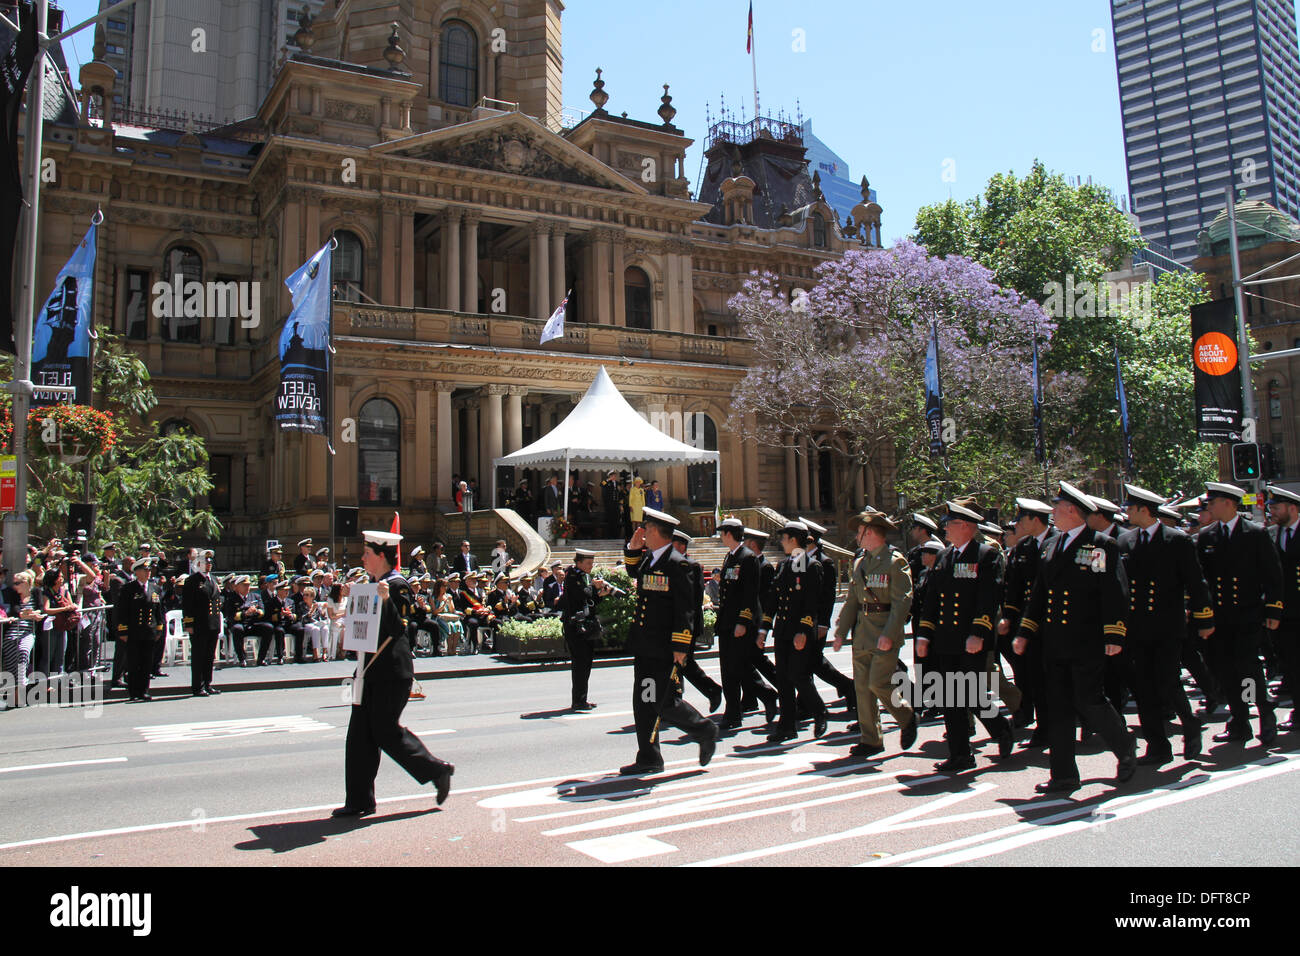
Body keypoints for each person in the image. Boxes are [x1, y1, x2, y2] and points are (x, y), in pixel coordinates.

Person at [1014, 481, 1136, 793]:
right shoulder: (1051, 546)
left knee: (1089, 701)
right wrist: (1025, 631)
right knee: (1057, 707)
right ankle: (1064, 774)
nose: (1052, 511)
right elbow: (1040, 594)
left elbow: (1113, 591)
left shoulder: (1099, 545)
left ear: (1071, 510)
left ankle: (1124, 746)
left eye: (1056, 506)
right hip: (1055, 639)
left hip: (1086, 638)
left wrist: (1114, 633)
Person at [332, 530, 454, 817]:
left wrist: (385, 601)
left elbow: (400, 627)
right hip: (367, 670)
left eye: (367, 554)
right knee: (359, 735)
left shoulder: (396, 585)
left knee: (385, 731)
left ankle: (437, 770)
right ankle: (360, 800)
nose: (363, 558)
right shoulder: (372, 584)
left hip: (391, 672)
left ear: (381, 556)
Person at [915, 500, 1015, 771]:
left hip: (971, 638)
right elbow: (932, 599)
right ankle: (960, 754)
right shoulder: (946, 556)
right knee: (949, 696)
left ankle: (1000, 728)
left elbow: (988, 597)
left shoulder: (986, 556)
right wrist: (924, 634)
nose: (945, 527)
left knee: (969, 694)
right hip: (946, 638)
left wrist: (979, 631)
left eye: (951, 523)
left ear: (967, 526)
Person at [619, 507, 718, 774]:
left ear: (656, 532)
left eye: (646, 529)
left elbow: (685, 609)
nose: (643, 532)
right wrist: (632, 548)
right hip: (645, 644)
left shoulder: (678, 564)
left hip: (663, 647)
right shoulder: (650, 559)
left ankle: (704, 728)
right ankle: (649, 757)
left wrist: (680, 646)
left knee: (659, 701)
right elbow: (633, 573)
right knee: (644, 701)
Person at [1118, 484, 1213, 762]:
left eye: (1130, 507)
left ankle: (1190, 723)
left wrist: (1203, 616)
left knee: (1168, 682)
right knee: (1144, 688)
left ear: (1143, 510)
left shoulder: (1176, 540)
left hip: (1167, 626)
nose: (1126, 512)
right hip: (1137, 627)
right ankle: (1157, 746)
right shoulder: (1125, 542)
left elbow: (1195, 582)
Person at [1196, 481, 1283, 745]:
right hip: (1220, 617)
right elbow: (1202, 579)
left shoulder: (1254, 534)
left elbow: (1272, 574)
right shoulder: (1207, 536)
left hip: (1247, 613)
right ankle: (1239, 720)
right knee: (1225, 670)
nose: (1209, 507)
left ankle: (1265, 713)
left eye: (1213, 502)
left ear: (1229, 504)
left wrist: (1273, 608)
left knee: (1248, 669)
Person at [833, 511, 917, 757]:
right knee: (862, 689)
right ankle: (871, 739)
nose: (856, 537)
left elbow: (902, 602)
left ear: (869, 532)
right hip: (862, 633)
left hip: (884, 631)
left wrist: (890, 632)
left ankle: (906, 715)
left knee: (878, 682)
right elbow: (852, 602)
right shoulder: (861, 563)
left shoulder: (895, 561)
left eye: (859, 532)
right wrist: (841, 632)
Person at [997, 498, 1057, 746]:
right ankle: (1043, 727)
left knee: (1060, 679)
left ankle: (1083, 722)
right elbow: (1014, 590)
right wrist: (1009, 619)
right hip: (1029, 624)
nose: (1018, 523)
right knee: (1033, 678)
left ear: (1035, 519)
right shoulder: (1023, 549)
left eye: (1022, 518)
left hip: (1057, 623)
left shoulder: (1060, 542)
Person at [763, 520, 827, 744]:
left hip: (799, 631)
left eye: (784, 538)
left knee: (798, 675)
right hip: (782, 630)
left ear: (793, 540)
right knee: (783, 679)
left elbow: (811, 602)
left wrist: (804, 629)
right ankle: (787, 726)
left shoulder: (811, 566)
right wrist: (764, 628)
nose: (781, 542)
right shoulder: (782, 565)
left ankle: (819, 711)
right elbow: (773, 600)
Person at [714, 518, 779, 730]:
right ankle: (735, 711)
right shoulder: (731, 556)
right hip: (727, 622)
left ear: (729, 534)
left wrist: (743, 620)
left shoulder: (748, 558)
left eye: (723, 532)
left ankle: (760, 697)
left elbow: (751, 594)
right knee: (729, 669)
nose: (721, 536)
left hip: (741, 623)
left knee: (738, 667)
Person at [801, 517, 858, 715]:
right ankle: (846, 688)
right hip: (805, 620)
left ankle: (846, 688)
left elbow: (827, 597)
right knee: (810, 661)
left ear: (811, 540)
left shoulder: (824, 562)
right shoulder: (802, 560)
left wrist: (824, 623)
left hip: (818, 621)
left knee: (812, 661)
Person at [671, 530, 724, 713]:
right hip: (675, 622)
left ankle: (712, 690)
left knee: (684, 661)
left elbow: (692, 599)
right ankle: (675, 700)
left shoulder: (690, 566)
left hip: (688, 623)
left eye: (674, 544)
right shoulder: (672, 564)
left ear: (681, 546)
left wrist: (687, 626)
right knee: (678, 663)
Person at [1266, 484, 1300, 732]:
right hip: (1285, 614)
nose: (1271, 513)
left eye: (1276, 508)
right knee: (1292, 665)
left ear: (1292, 508)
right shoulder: (1271, 535)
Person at [561, 549, 605, 710]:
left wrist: (599, 594)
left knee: (586, 662)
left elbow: (590, 601)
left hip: (586, 624)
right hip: (575, 626)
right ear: (578, 562)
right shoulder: (572, 576)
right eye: (588, 563)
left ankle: (582, 698)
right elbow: (581, 595)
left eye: (592, 563)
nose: (591, 566)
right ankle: (578, 701)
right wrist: (594, 587)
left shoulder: (584, 576)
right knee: (580, 663)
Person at [118, 557, 163, 702]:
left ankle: (144, 690)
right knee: (133, 663)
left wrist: (159, 628)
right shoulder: (128, 588)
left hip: (149, 631)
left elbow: (158, 610)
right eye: (145, 570)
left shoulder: (154, 588)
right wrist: (123, 630)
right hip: (134, 631)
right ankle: (133, 692)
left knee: (146, 663)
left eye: (149, 570)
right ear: (137, 572)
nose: (148, 573)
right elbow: (122, 611)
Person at [181, 549, 223, 696]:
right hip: (199, 625)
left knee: (209, 657)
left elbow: (217, 601)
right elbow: (187, 605)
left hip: (212, 624)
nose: (209, 565)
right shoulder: (192, 581)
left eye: (210, 562)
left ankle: (207, 683)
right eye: (206, 562)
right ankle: (197, 686)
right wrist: (189, 624)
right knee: (199, 657)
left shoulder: (212, 579)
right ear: (199, 563)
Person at [1, 571, 42, 705]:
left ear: (26, 582)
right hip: (12, 631)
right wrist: (26, 614)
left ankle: (22, 684)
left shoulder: (36, 592)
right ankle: (16, 695)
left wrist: (34, 614)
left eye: (18, 583)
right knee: (12, 662)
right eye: (14, 583)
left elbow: (41, 609)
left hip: (27, 631)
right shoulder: (13, 594)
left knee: (23, 652)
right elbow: (14, 610)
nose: (15, 586)